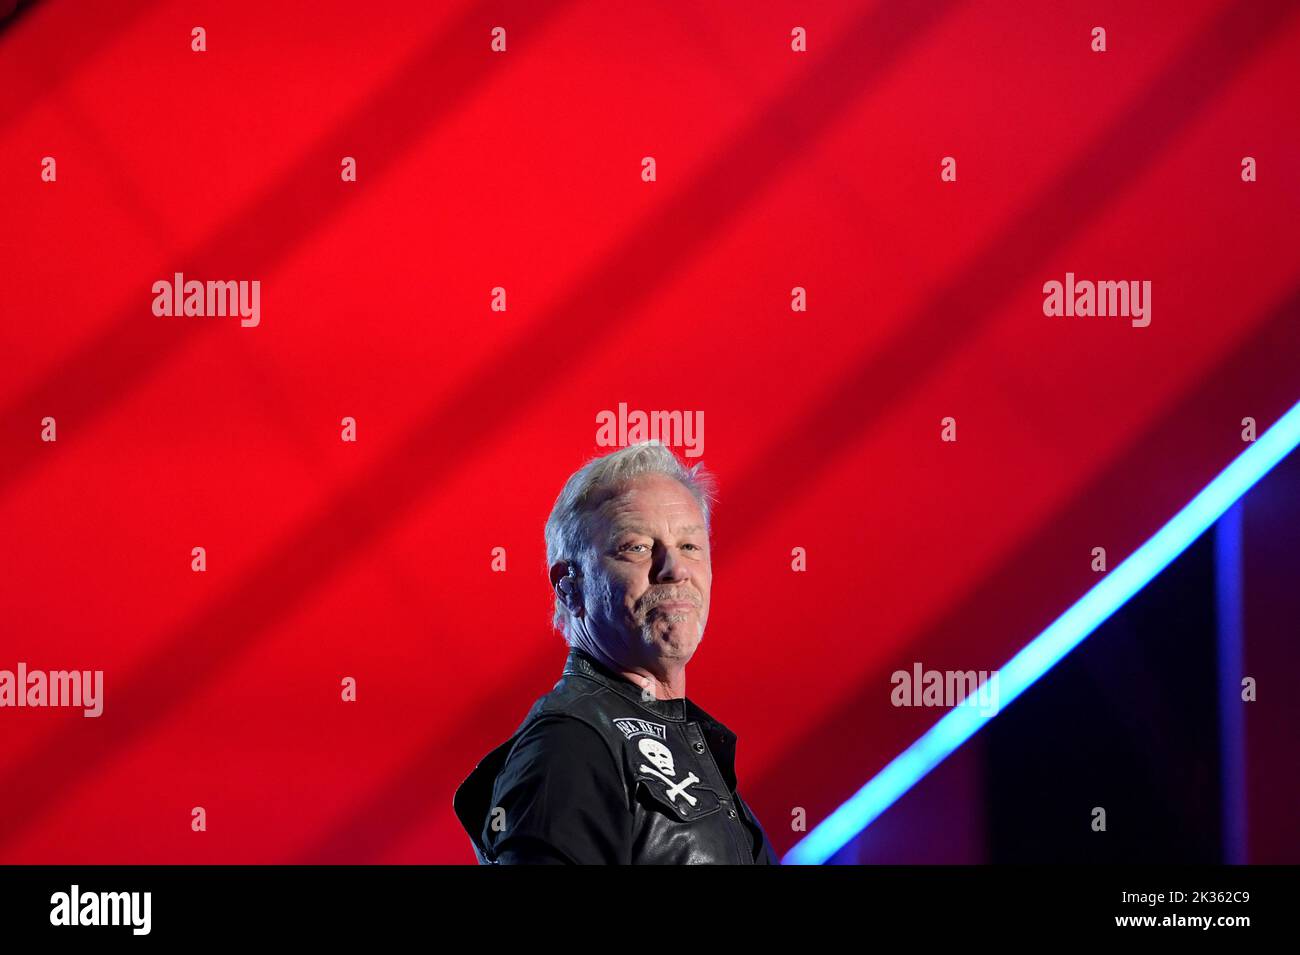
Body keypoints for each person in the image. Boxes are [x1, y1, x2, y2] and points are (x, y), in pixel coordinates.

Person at [453, 441, 780, 864]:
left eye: (690, 546)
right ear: (569, 585)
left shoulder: (679, 741)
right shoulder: (571, 744)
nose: (675, 570)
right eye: (638, 547)